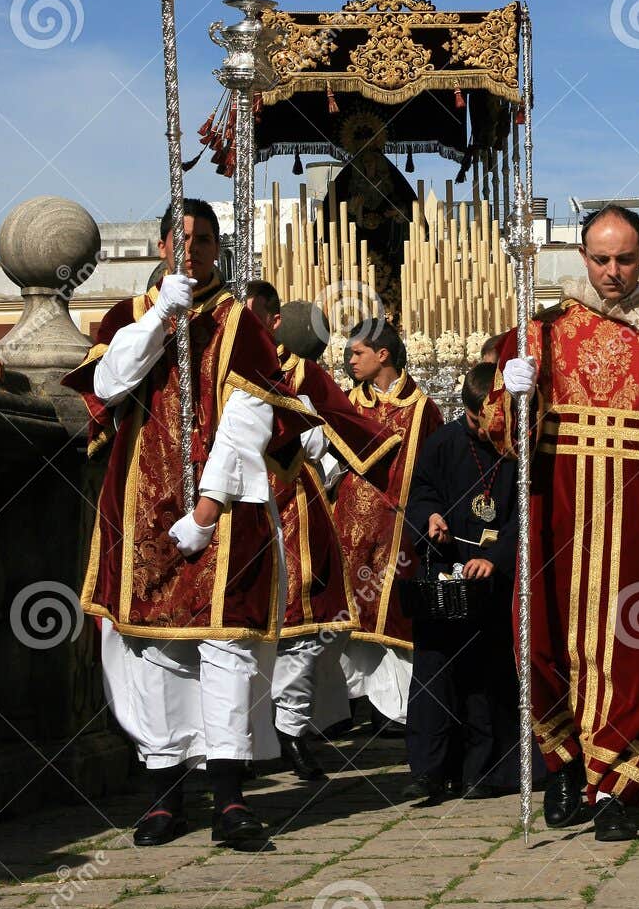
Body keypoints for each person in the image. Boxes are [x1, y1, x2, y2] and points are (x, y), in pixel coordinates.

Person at [63, 201, 313, 850]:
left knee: (226, 647)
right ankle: (164, 798)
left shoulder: (240, 323)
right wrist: (161, 320)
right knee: (152, 650)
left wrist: (210, 504)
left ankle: (229, 799)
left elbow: (253, 416)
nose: (194, 249)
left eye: (206, 240)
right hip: (138, 506)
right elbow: (113, 382)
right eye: (184, 238)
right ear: (162, 243)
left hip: (222, 511)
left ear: (217, 248)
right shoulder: (129, 316)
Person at [484, 204, 639, 843]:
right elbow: (501, 438)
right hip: (555, 521)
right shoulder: (540, 334)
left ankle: (618, 786)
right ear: (583, 258)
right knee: (541, 644)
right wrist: (515, 396)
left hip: (636, 530)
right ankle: (565, 767)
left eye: (624, 259)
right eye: (600, 259)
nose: (612, 271)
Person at [243, 285, 400, 779]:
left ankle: (288, 729)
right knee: (251, 628)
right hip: (249, 502)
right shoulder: (251, 367)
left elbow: (332, 436)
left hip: (292, 505)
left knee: (303, 624)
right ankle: (248, 735)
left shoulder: (302, 374)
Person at [402, 362, 520, 802]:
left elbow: (525, 514)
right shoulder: (444, 444)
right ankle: (431, 770)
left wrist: (496, 558)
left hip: (494, 579)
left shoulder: (515, 450)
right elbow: (421, 492)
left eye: (487, 420)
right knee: (435, 673)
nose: (480, 428)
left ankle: (484, 771)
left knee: (487, 676)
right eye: (473, 420)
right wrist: (428, 517)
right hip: (447, 574)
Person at [334, 320, 444, 728]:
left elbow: (434, 474)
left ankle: (396, 711)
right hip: (346, 528)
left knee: (391, 616)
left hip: (397, 533)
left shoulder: (422, 409)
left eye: (357, 353)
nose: (350, 360)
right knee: (344, 618)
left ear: (383, 355)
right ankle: (345, 705)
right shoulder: (346, 403)